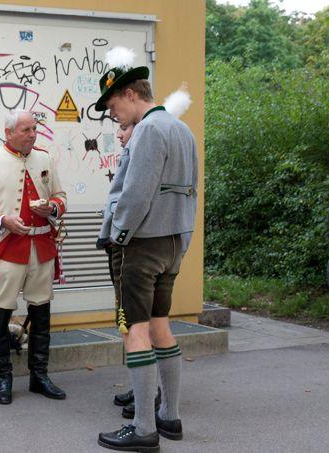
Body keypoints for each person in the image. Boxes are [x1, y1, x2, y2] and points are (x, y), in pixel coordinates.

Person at [92, 47, 198, 452]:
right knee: (160, 327)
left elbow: (135, 196)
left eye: (113, 103)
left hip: (142, 243)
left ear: (131, 93)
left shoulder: (150, 130)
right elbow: (187, 194)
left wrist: (116, 235)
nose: (112, 113)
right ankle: (170, 417)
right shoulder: (180, 128)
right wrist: (182, 240)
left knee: (136, 331)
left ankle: (143, 428)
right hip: (172, 243)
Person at [0, 109, 68, 405]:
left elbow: (62, 198)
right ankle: (4, 378)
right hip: (7, 249)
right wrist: (2, 220)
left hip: (42, 248)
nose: (32, 134)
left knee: (41, 311)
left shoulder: (45, 159)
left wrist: (51, 207)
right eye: (26, 130)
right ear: (8, 133)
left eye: (34, 129)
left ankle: (39, 376)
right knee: (0, 313)